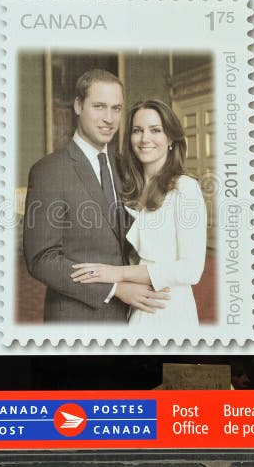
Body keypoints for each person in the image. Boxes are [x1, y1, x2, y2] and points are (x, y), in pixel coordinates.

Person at [23, 69, 169, 323]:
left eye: (116, 108)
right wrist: (115, 289)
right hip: (76, 318)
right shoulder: (49, 170)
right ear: (78, 105)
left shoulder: (125, 166)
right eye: (99, 106)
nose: (109, 119)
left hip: (132, 317)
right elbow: (41, 259)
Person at [71, 99, 207, 332]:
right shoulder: (127, 189)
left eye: (155, 130)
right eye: (138, 130)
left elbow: (191, 270)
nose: (145, 139)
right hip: (133, 302)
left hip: (168, 307)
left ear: (171, 139)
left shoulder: (185, 188)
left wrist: (116, 273)